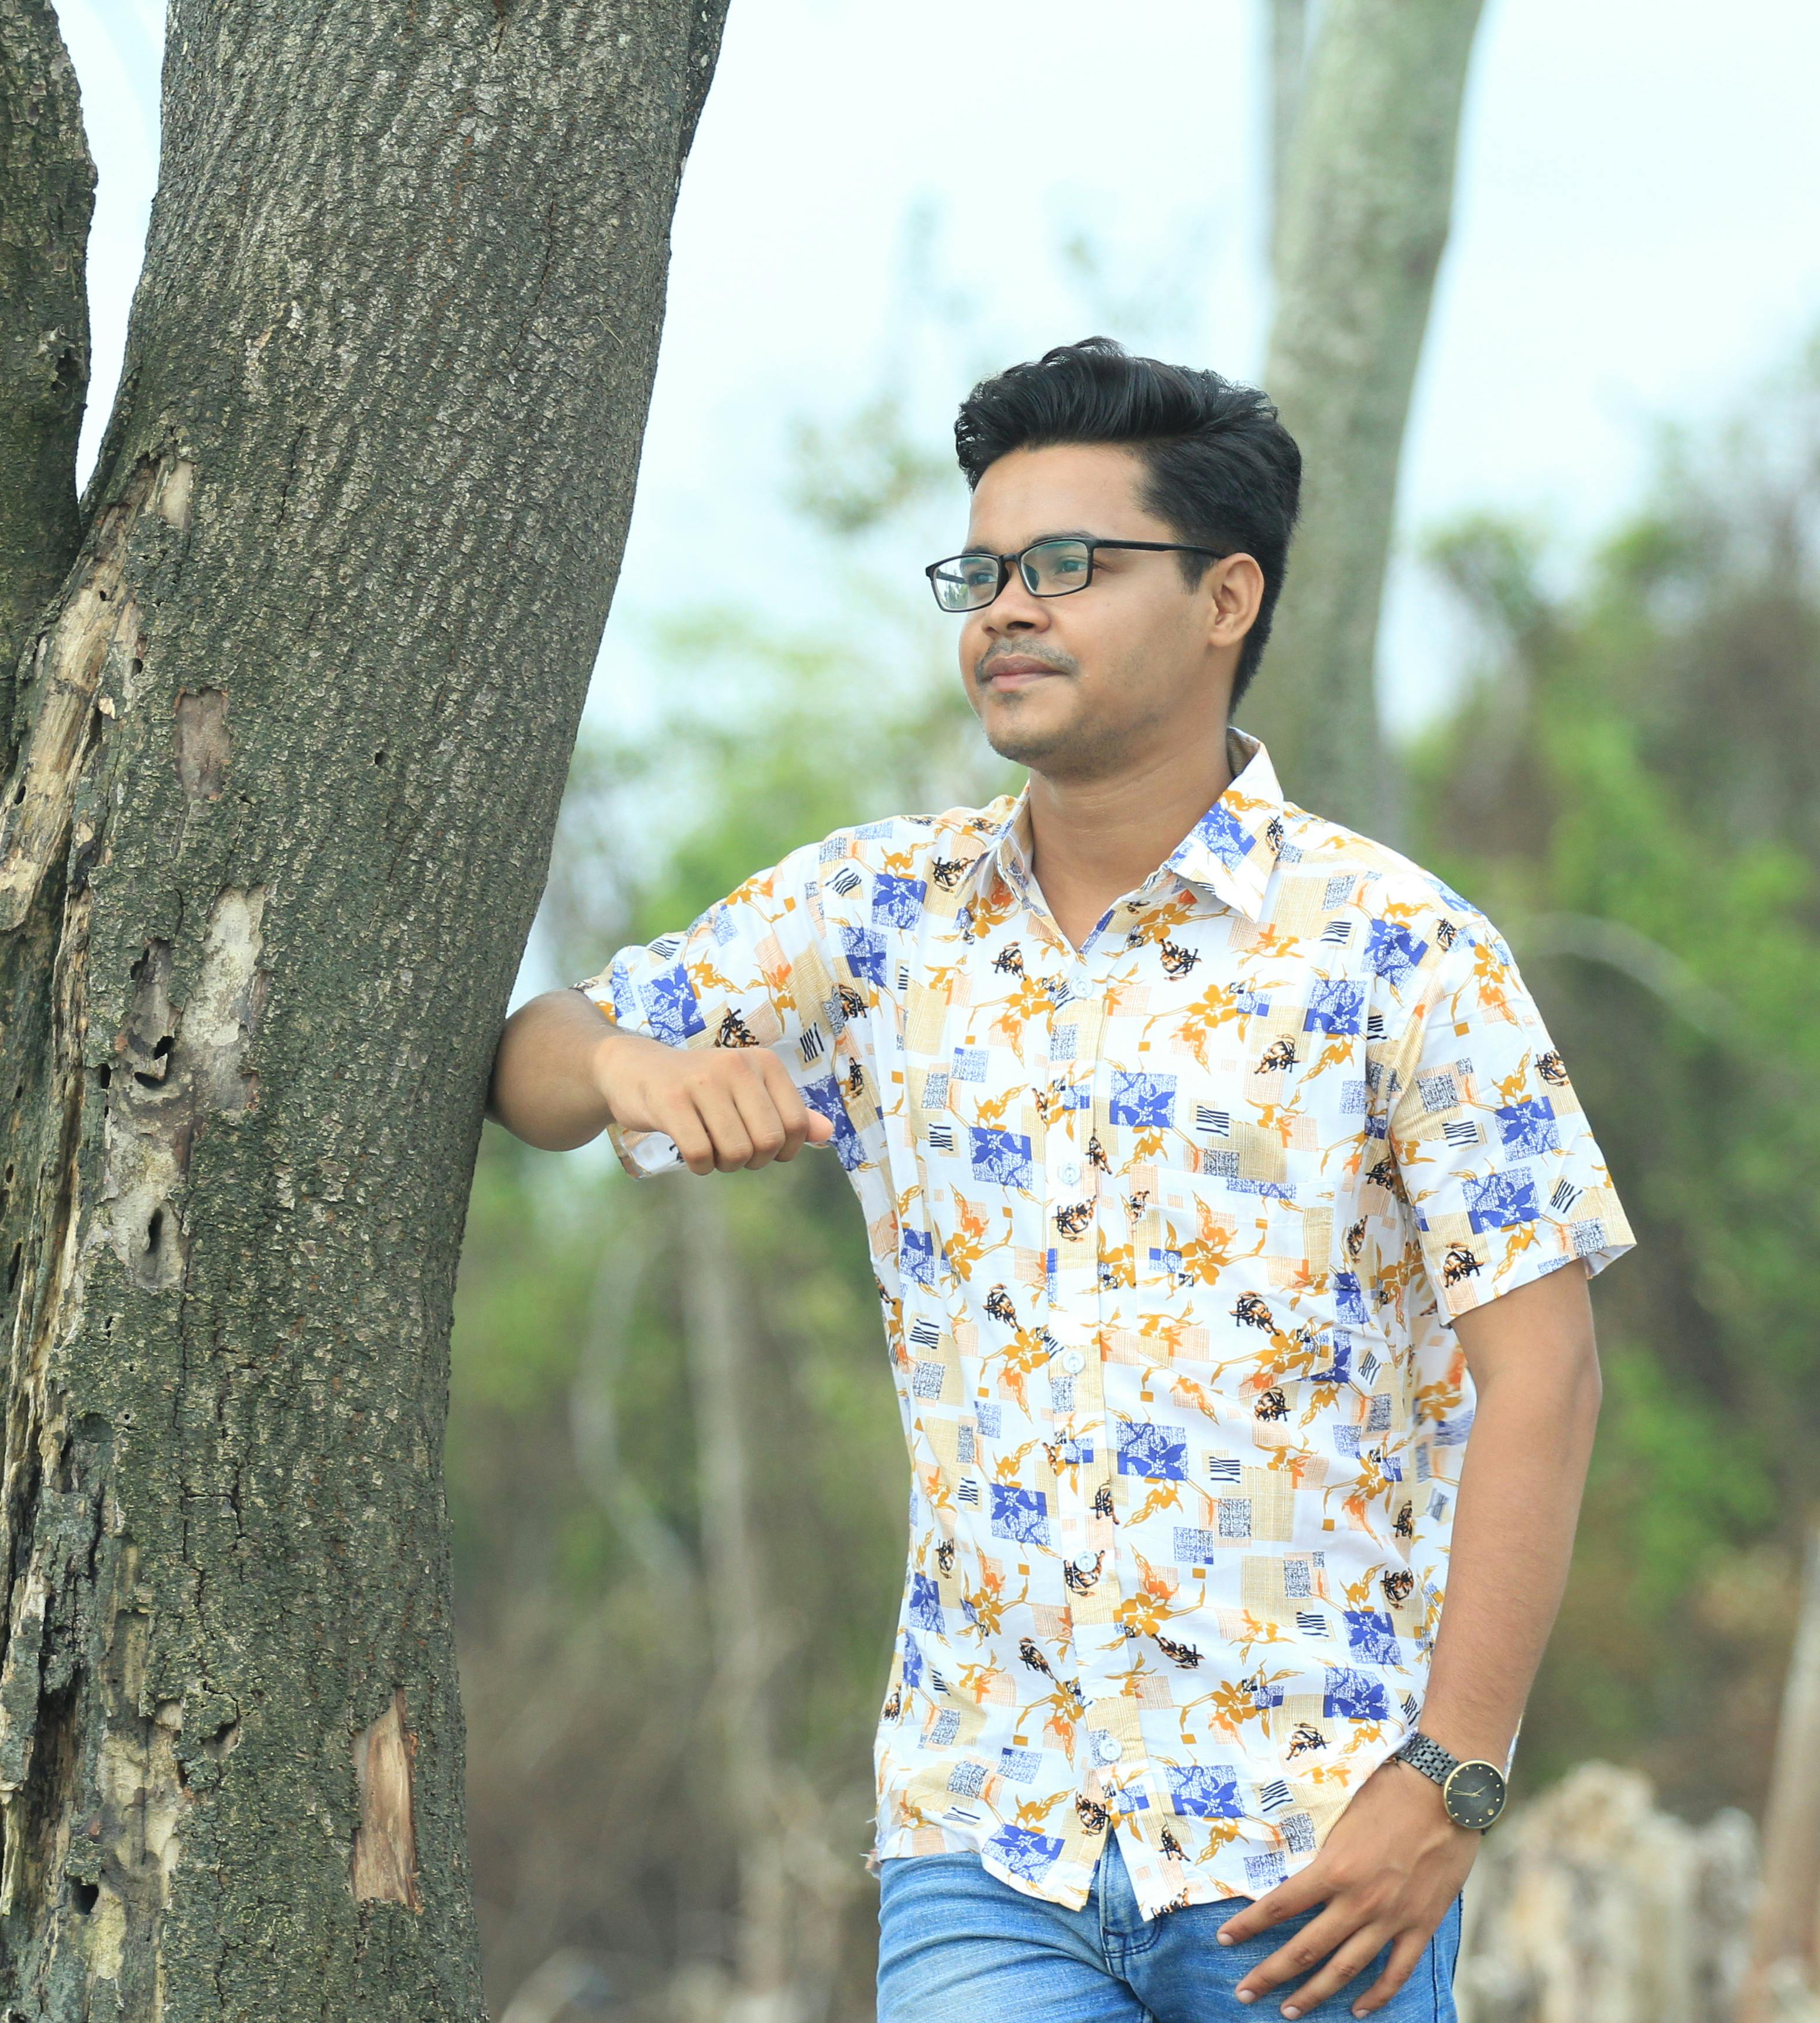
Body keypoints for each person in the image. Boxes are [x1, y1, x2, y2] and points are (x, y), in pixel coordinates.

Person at [488, 338, 1632, 2023]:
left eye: (1070, 566)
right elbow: (533, 1057)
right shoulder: (881, 918)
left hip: (1311, 1848)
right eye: (983, 573)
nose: (1007, 610)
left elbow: (1547, 1375)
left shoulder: (1399, 948)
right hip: (984, 1842)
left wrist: (1451, 1786)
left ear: (1228, 596)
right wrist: (627, 1070)